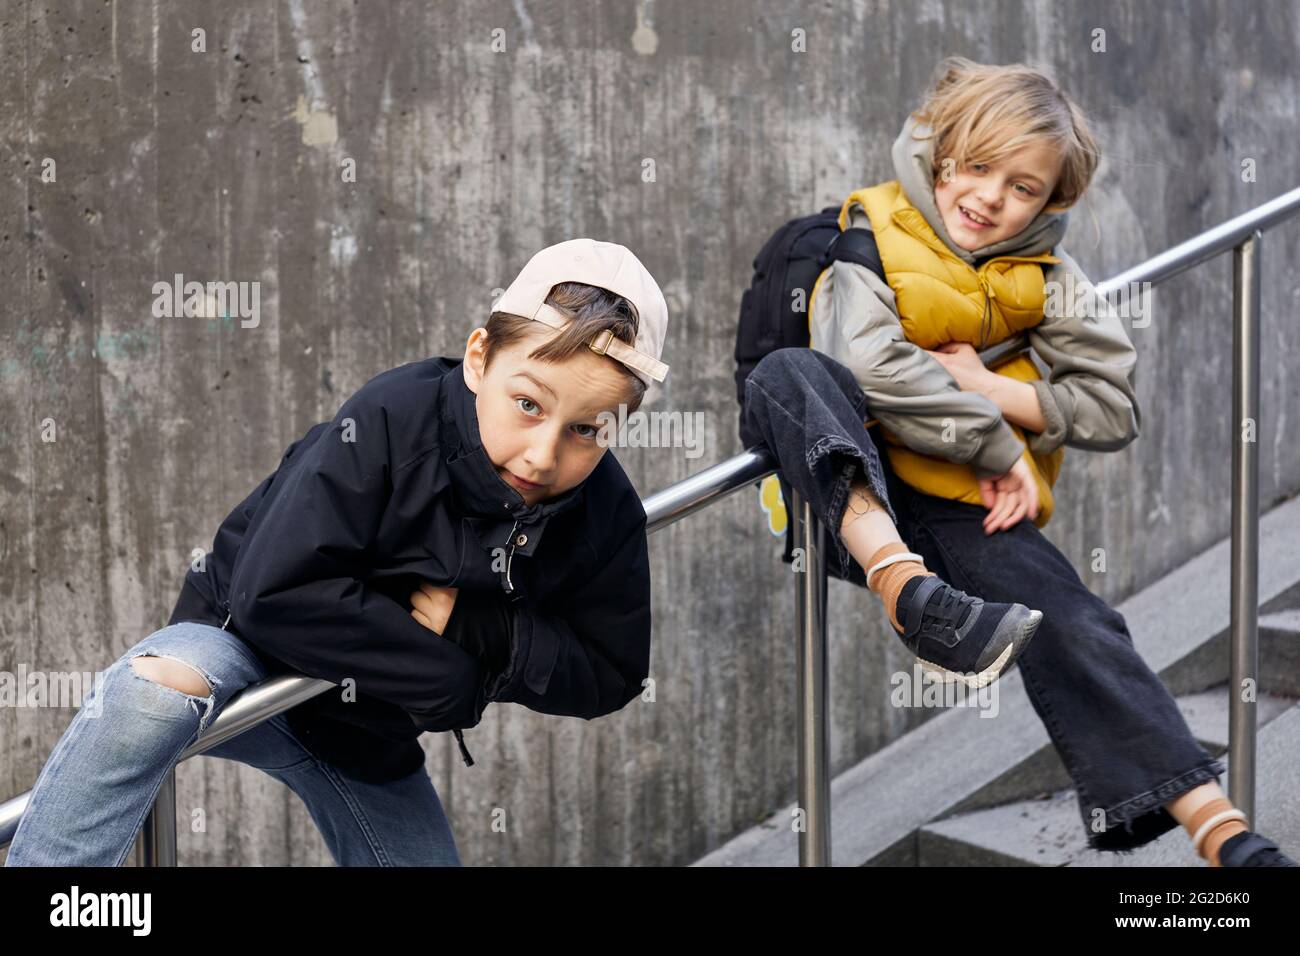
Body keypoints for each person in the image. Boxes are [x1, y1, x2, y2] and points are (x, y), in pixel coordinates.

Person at [740, 56, 1295, 867]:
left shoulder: (1046, 278)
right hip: (851, 490)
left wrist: (991, 389)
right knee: (791, 375)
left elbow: (1113, 408)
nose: (991, 197)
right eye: (976, 167)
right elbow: (866, 367)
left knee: (1076, 620)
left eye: (1023, 187)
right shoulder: (866, 235)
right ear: (941, 154)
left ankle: (1228, 839)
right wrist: (999, 442)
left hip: (964, 505)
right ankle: (907, 589)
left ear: (1053, 200)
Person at [6, 238, 667, 866]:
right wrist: (450, 677)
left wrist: (481, 633)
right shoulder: (391, 414)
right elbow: (274, 596)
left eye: (587, 429)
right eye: (527, 403)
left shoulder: (605, 510)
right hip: (242, 650)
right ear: (479, 359)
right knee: (152, 691)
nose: (543, 453)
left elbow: (613, 669)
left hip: (363, 723)